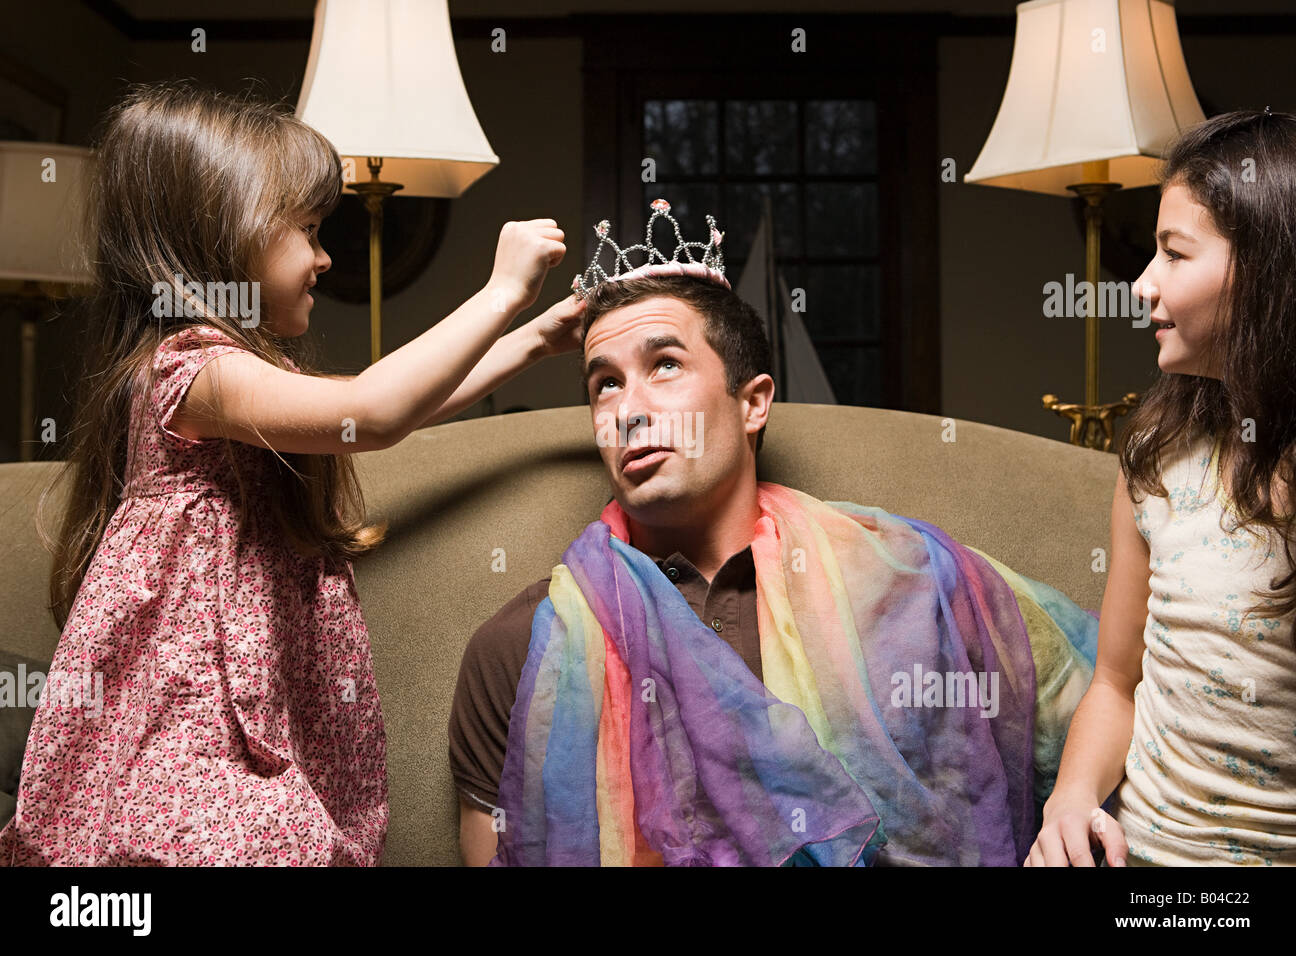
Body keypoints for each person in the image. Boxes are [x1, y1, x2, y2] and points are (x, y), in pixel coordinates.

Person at [0, 81, 584, 866]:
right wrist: (500, 292)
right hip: (180, 720)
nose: (324, 256)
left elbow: (366, 408)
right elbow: (372, 416)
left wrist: (529, 341)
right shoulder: (188, 366)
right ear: (222, 236)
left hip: (244, 720)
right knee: (249, 841)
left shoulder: (243, 371)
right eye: (306, 231)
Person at [449, 201, 1099, 866]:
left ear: (754, 401)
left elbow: (1115, 685)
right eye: (604, 385)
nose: (630, 411)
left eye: (664, 365)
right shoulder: (522, 647)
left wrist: (1071, 802)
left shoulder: (906, 581)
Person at [1028, 110, 1296, 867]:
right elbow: (1117, 683)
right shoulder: (1156, 455)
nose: (1142, 284)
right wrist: (1070, 804)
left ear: (1271, 273)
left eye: (1174, 254)